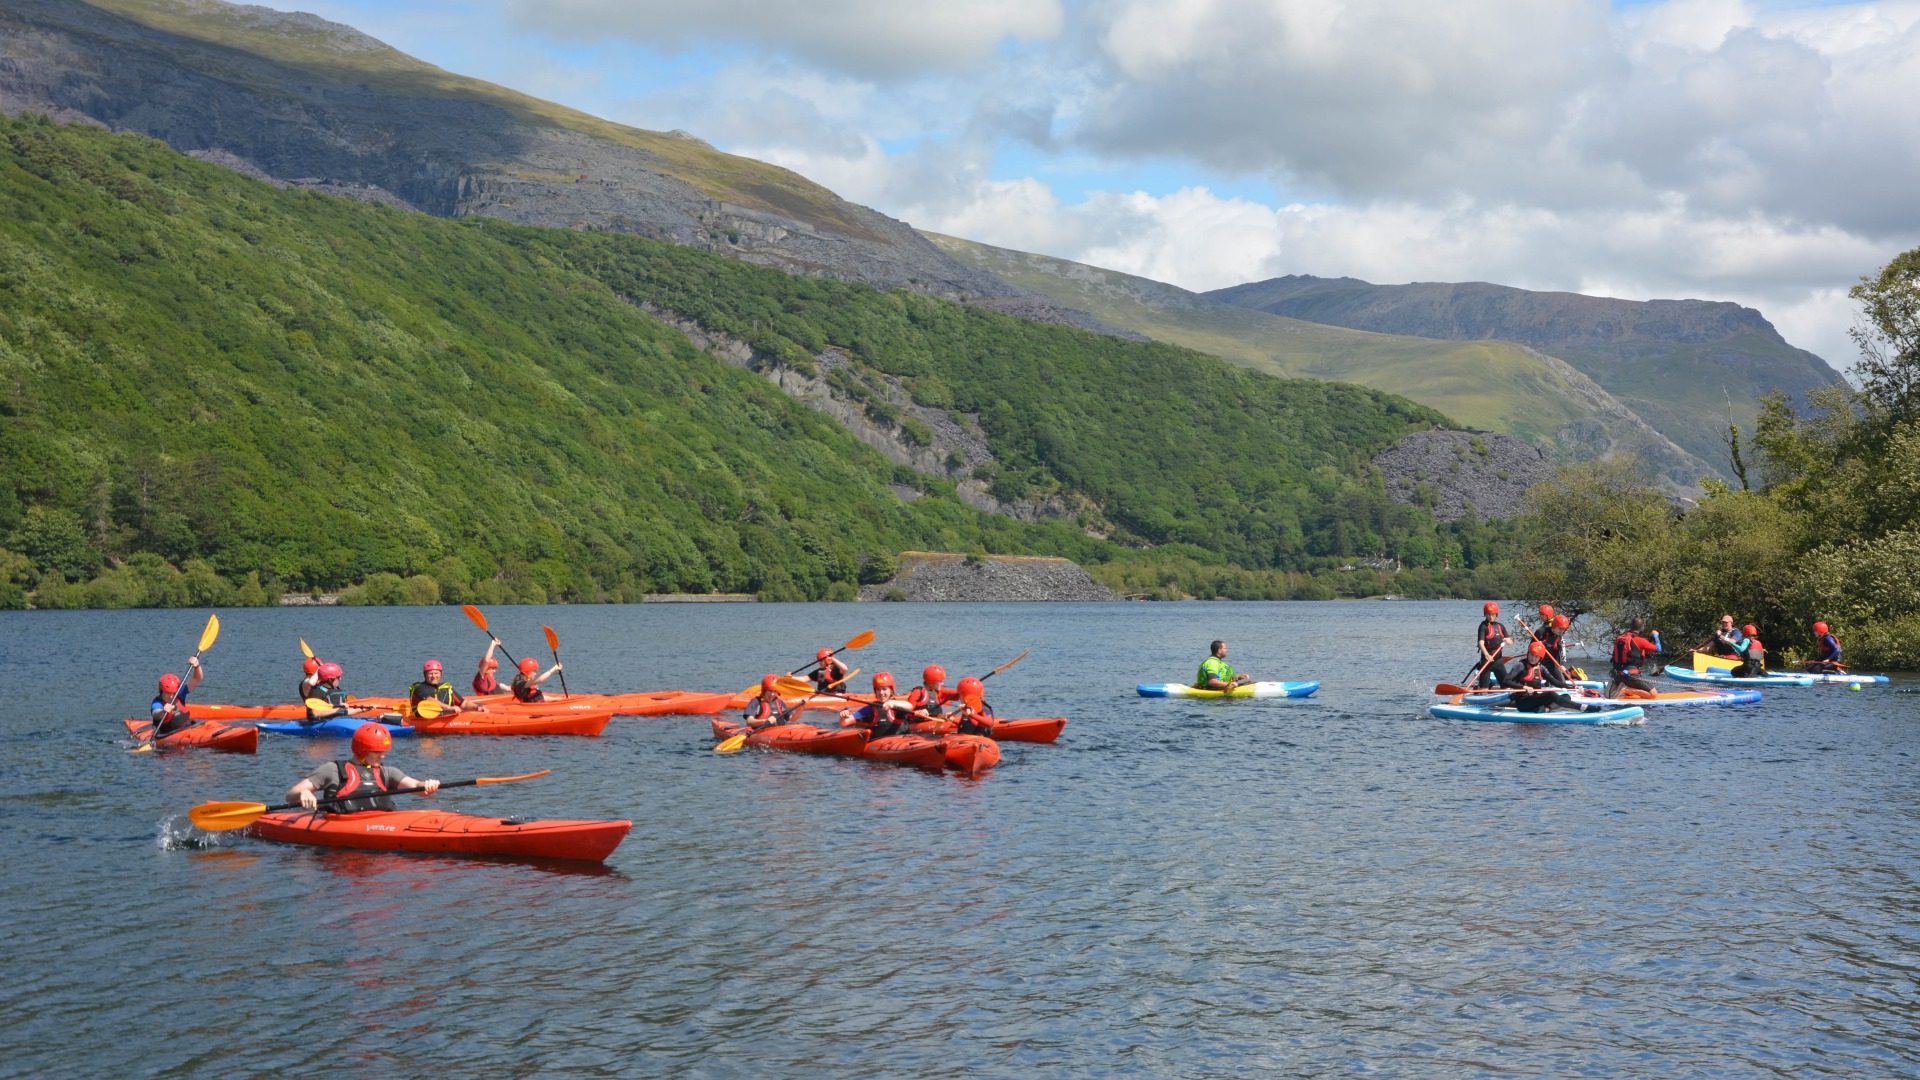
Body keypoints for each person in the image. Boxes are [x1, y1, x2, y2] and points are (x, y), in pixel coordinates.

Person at [287, 723, 439, 813]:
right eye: (377, 753)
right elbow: (290, 796)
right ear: (362, 750)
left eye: (384, 752)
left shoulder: (387, 772)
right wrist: (304, 793)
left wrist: (426, 785)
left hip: (382, 824)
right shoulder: (333, 770)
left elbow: (414, 786)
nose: (383, 757)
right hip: (342, 826)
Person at [839, 672, 920, 738]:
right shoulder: (870, 708)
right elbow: (844, 723)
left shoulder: (898, 706)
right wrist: (844, 715)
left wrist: (892, 703)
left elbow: (910, 706)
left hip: (902, 739)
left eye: (884, 689)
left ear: (891, 690)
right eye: (878, 690)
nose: (881, 693)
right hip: (881, 743)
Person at [150, 656, 204, 738]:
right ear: (162, 691)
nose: (172, 696)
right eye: (168, 693)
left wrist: (197, 666)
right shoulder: (157, 702)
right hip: (168, 734)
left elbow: (197, 678)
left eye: (173, 693)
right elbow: (155, 714)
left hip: (186, 729)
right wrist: (163, 711)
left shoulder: (179, 693)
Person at [1510, 642, 1573, 713]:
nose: (1533, 658)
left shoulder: (1541, 668)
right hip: (1523, 701)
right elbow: (1506, 681)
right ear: (1528, 653)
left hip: (1535, 699)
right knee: (1550, 694)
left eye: (1536, 656)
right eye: (1531, 655)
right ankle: (1582, 707)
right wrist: (1523, 687)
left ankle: (1546, 709)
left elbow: (1555, 682)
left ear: (1540, 658)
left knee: (1567, 697)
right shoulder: (1520, 665)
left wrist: (1572, 687)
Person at [1607, 618, 1662, 698]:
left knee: (1632, 693)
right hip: (1631, 676)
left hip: (1618, 675)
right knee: (1653, 694)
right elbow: (1659, 649)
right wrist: (1656, 635)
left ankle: (1615, 686)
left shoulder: (1620, 638)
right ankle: (1625, 689)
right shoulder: (1640, 641)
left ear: (1630, 626)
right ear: (1642, 628)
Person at [1473, 603, 1515, 689]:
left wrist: (1508, 641)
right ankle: (1480, 689)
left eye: (1493, 614)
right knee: (1484, 688)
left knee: (1506, 687)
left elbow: (1510, 641)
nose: (1491, 617)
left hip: (1498, 661)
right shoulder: (1483, 626)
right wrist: (1487, 655)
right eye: (1488, 614)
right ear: (1485, 614)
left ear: (1496, 614)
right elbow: (1481, 643)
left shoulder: (1500, 626)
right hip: (1486, 661)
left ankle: (1495, 688)